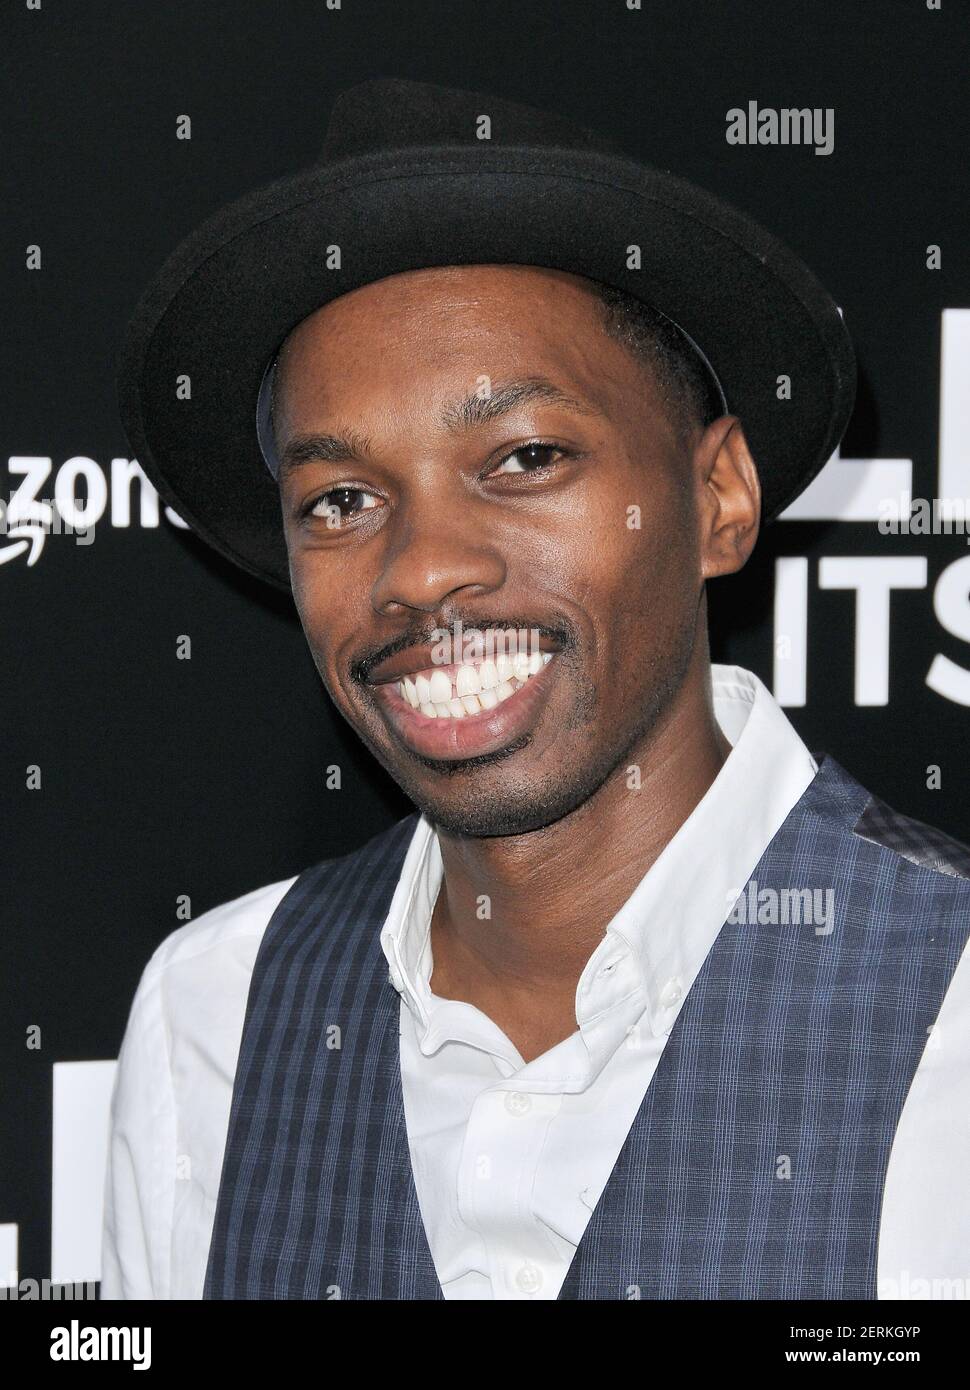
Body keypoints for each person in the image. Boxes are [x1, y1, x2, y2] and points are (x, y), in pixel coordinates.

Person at [101, 77, 970, 1301]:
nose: (422, 570)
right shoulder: (213, 1012)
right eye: (340, 500)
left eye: (524, 458)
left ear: (718, 495)